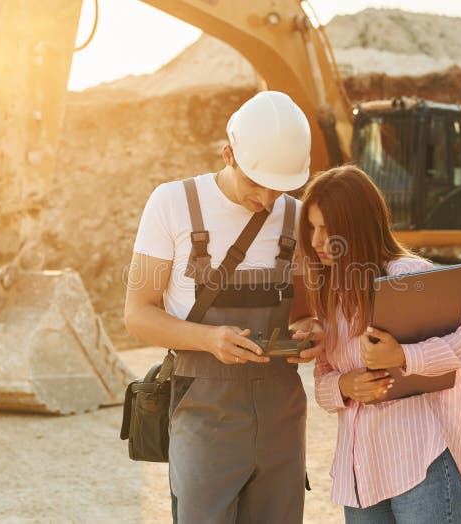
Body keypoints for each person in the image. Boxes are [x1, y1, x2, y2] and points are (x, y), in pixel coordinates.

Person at [124, 91, 323, 524]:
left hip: (281, 413)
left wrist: (311, 333)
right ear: (227, 153)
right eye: (256, 183)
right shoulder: (172, 204)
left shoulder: (297, 216)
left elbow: (305, 314)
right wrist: (209, 340)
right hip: (203, 403)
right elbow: (137, 313)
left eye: (280, 187)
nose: (268, 200)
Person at [299, 165, 461, 523]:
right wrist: (345, 385)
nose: (315, 241)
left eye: (326, 229)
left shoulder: (405, 274)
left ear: (356, 226)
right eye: (311, 228)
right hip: (361, 471)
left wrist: (404, 355)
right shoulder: (329, 293)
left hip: (422, 463)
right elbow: (323, 380)